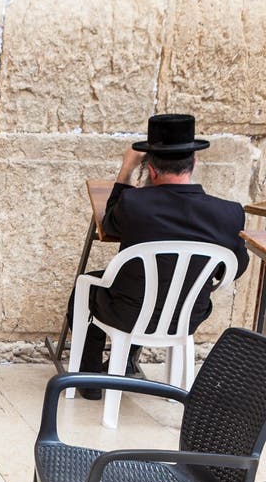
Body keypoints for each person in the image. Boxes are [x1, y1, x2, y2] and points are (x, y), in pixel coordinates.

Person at [70, 113, 249, 399]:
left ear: (151, 169)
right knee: (152, 286)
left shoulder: (134, 203)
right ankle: (128, 363)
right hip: (187, 315)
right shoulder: (229, 213)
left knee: (90, 286)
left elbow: (109, 224)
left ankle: (89, 380)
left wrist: (126, 169)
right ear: (194, 162)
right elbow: (236, 268)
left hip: (128, 313)